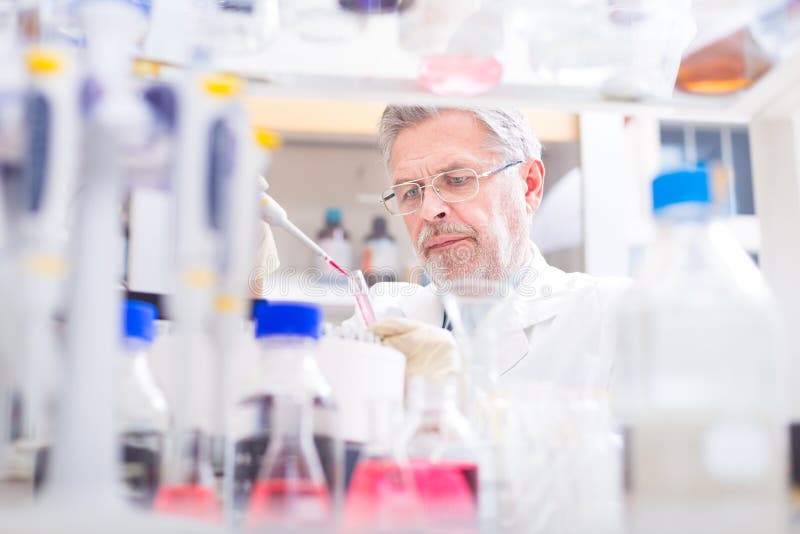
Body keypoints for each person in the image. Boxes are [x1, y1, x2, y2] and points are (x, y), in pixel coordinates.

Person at [363, 106, 630, 388]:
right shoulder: (376, 323)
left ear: (529, 186)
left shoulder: (614, 320)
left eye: (457, 180)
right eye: (410, 192)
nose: (429, 210)